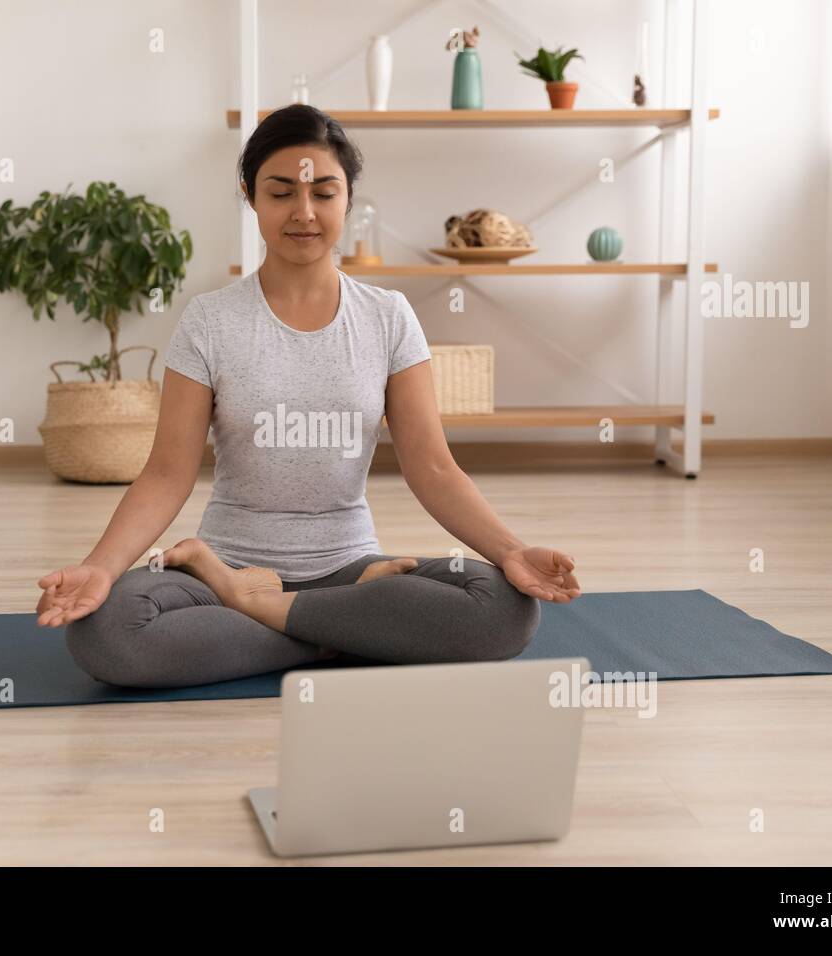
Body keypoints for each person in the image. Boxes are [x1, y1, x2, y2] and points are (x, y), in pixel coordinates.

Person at [35, 104, 580, 688]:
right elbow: (168, 474)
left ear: (348, 198)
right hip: (227, 565)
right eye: (280, 193)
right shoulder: (210, 322)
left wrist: (512, 551)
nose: (304, 213)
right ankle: (343, 634)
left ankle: (266, 613)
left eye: (324, 192)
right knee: (108, 632)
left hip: (354, 569)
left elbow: (434, 469)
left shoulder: (389, 318)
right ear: (251, 197)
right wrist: (99, 567)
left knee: (504, 609)